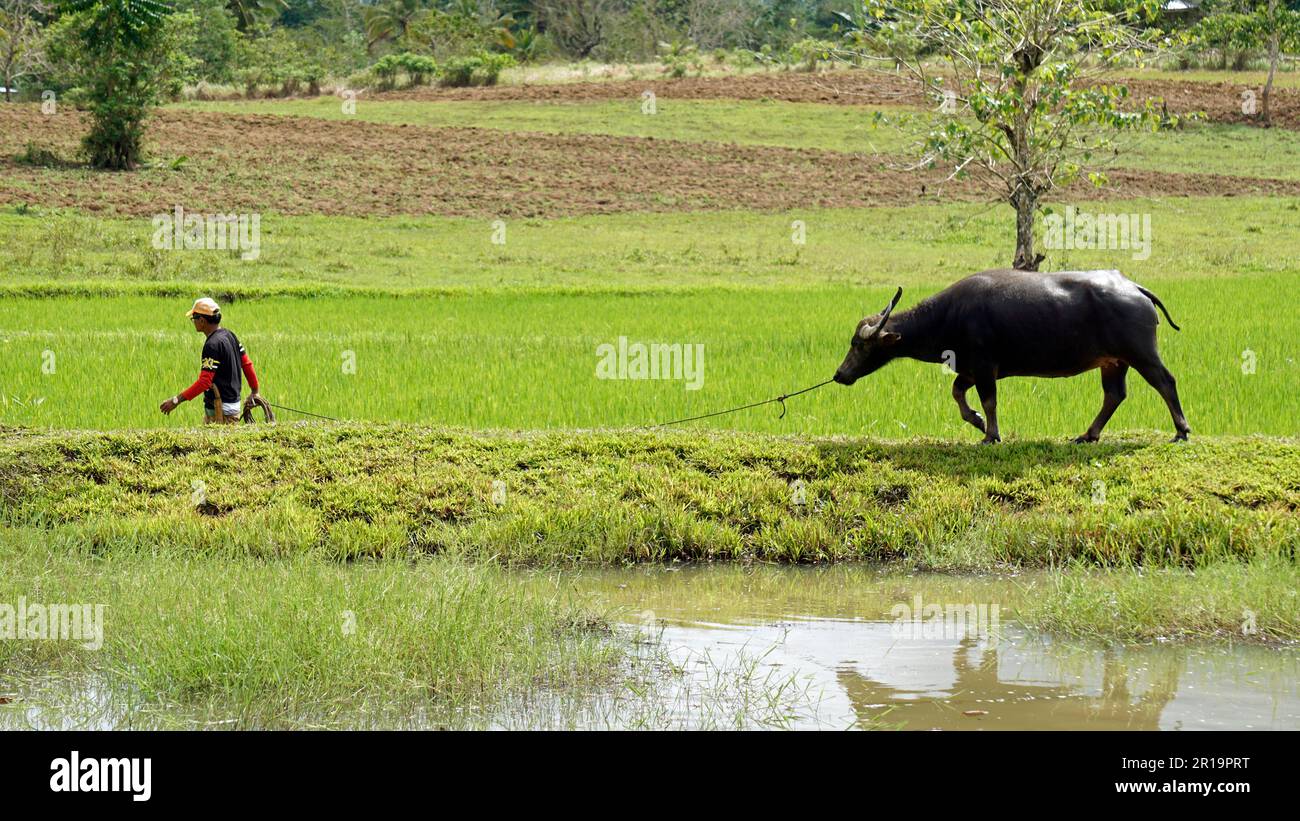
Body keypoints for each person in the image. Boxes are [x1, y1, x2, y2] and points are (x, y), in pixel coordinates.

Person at [160, 297, 261, 424]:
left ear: (202, 320)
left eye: (194, 319)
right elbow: (246, 364)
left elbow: (204, 382)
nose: (193, 322)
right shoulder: (230, 335)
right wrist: (255, 391)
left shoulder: (212, 345)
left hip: (220, 411)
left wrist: (176, 400)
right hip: (233, 407)